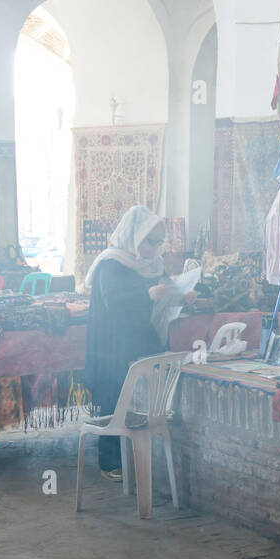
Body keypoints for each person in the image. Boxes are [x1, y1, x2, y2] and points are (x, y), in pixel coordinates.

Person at [84, 205, 196, 481]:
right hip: (112, 344)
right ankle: (110, 463)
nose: (155, 248)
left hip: (140, 341)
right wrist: (149, 294)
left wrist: (182, 296)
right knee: (114, 400)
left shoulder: (152, 265)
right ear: (134, 236)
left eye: (159, 242)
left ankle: (141, 457)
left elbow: (165, 291)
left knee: (140, 401)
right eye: (150, 241)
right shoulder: (110, 263)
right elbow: (115, 301)